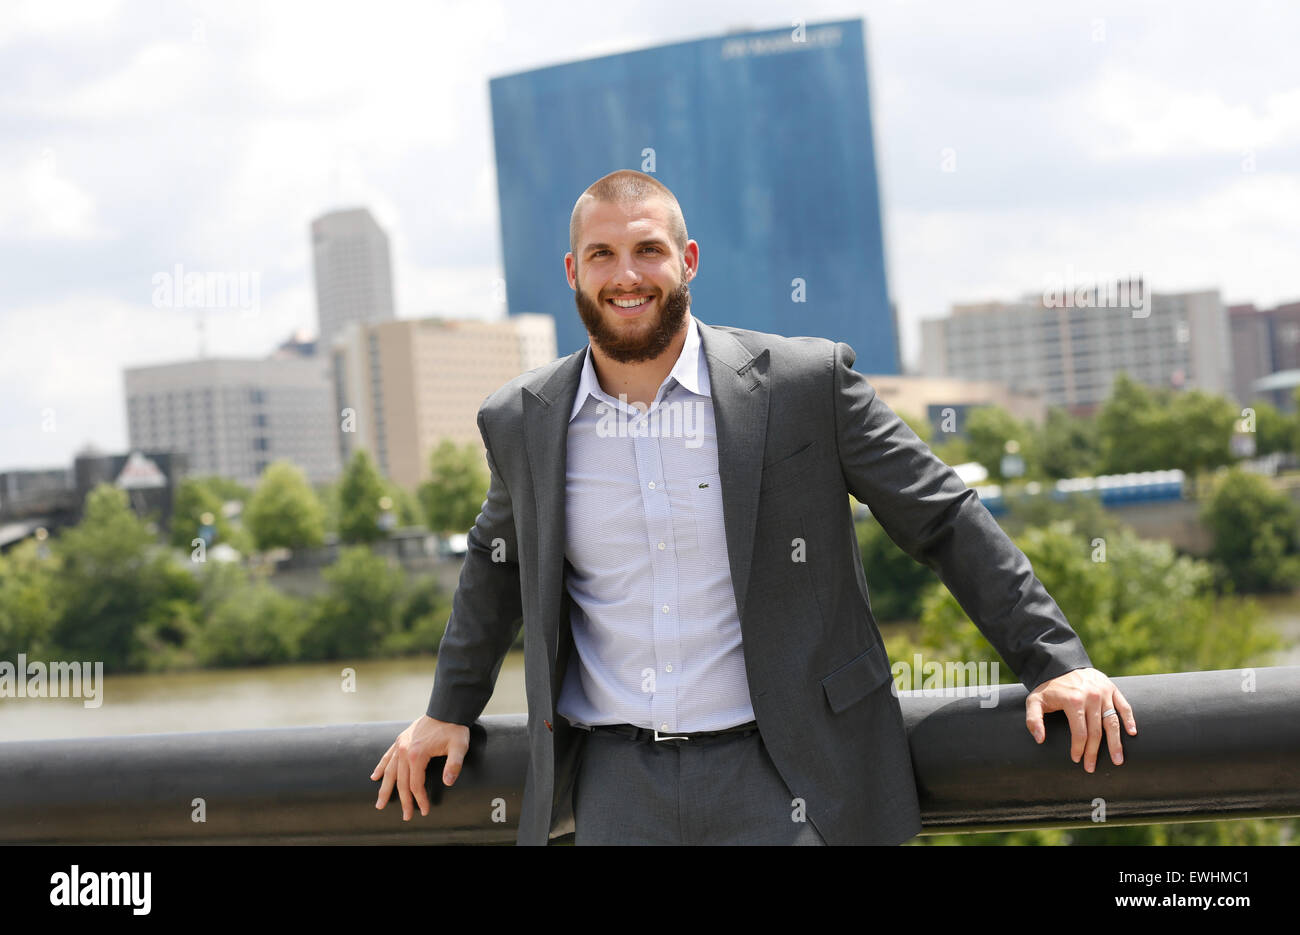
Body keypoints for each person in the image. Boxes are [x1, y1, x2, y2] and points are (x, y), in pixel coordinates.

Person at [371, 169, 1137, 845]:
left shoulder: (804, 386)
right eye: (602, 255)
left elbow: (943, 515)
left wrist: (1054, 662)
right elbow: (493, 567)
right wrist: (447, 709)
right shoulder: (522, 418)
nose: (625, 274)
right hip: (615, 788)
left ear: (687, 261)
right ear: (574, 272)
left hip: (794, 773)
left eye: (647, 250)